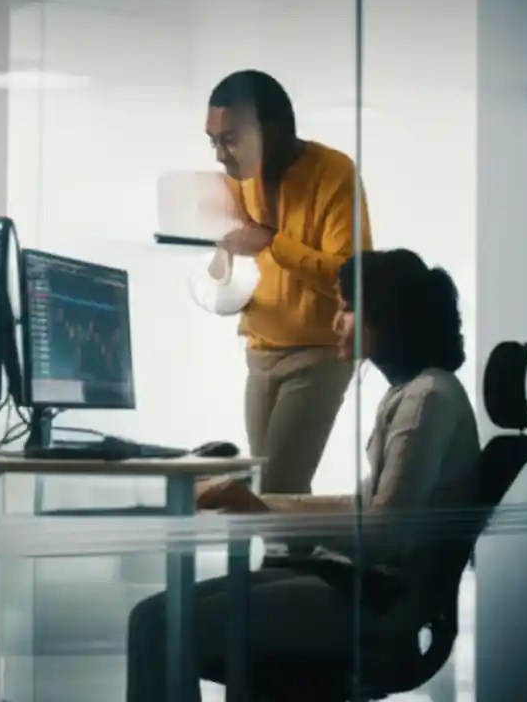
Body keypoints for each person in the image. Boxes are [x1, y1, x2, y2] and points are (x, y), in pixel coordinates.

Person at [126, 249, 480, 702]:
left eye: (347, 309)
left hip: (377, 603)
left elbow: (384, 534)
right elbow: (365, 510)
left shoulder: (426, 399)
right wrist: (258, 504)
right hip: (364, 585)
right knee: (151, 617)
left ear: (388, 319)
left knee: (159, 624)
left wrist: (263, 511)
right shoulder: (413, 392)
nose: (335, 322)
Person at [206, 69, 373, 494]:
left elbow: (351, 278)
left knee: (277, 489)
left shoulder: (334, 172)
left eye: (229, 139)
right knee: (276, 494)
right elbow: (234, 266)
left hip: (318, 353)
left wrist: (271, 243)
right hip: (260, 352)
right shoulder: (238, 179)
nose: (221, 156)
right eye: (214, 141)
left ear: (271, 131)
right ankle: (291, 560)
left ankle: (290, 560)